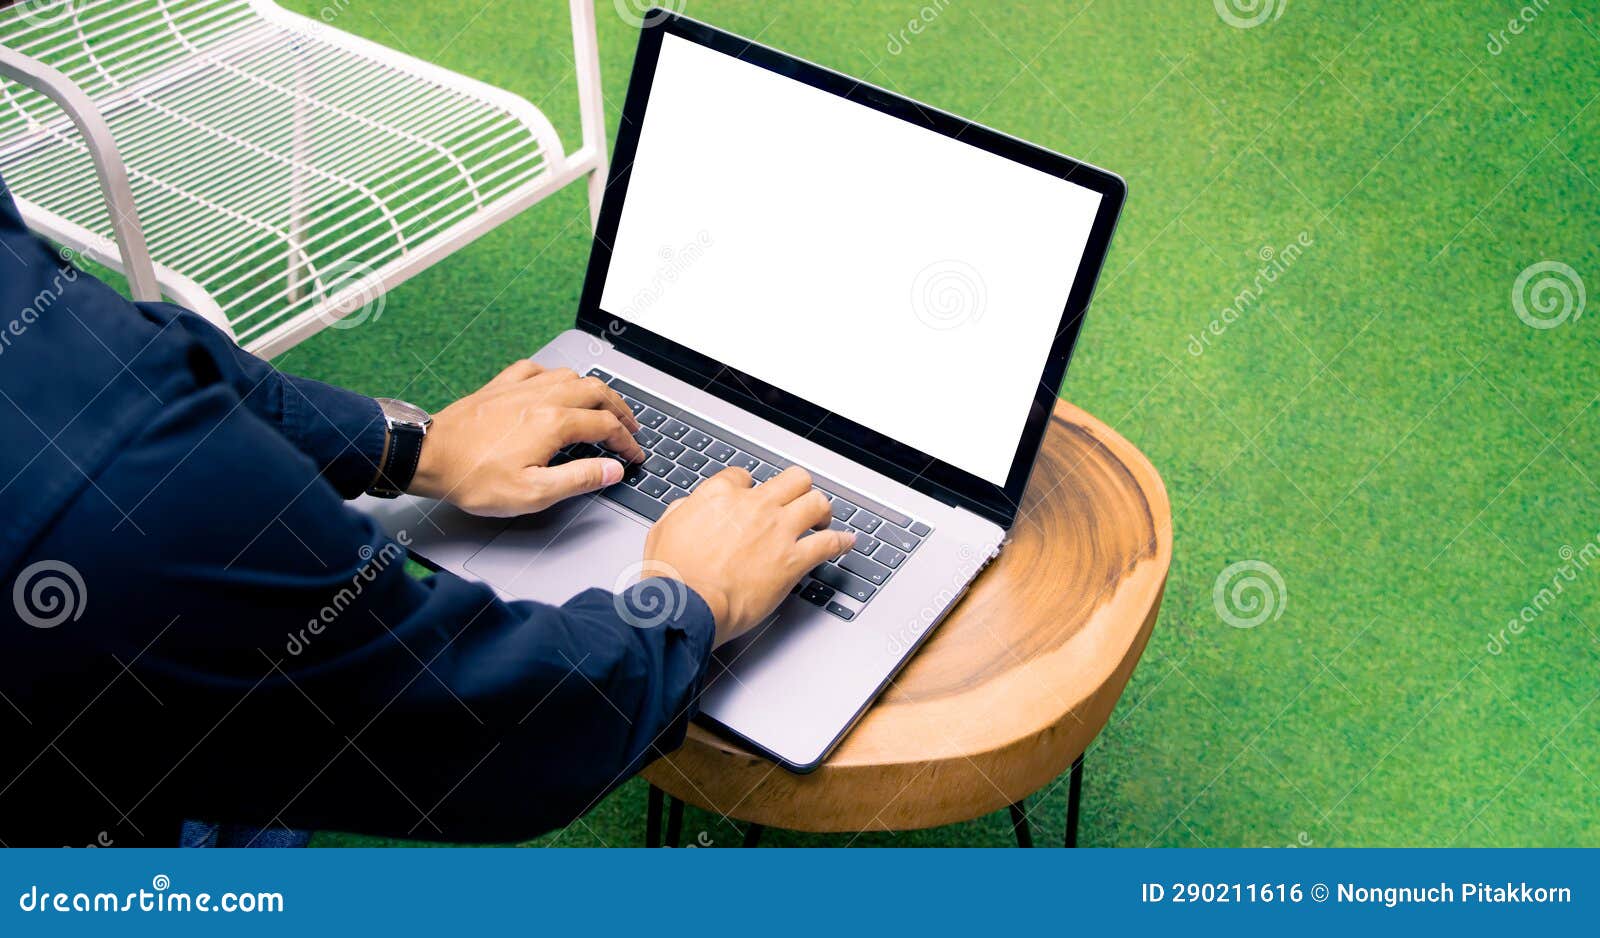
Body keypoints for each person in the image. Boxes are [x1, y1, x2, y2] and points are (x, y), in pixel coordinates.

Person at [0, 174, 854, 847]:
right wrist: (684, 598)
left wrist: (403, 445)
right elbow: (499, 732)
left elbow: (115, 351)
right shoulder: (135, 497)